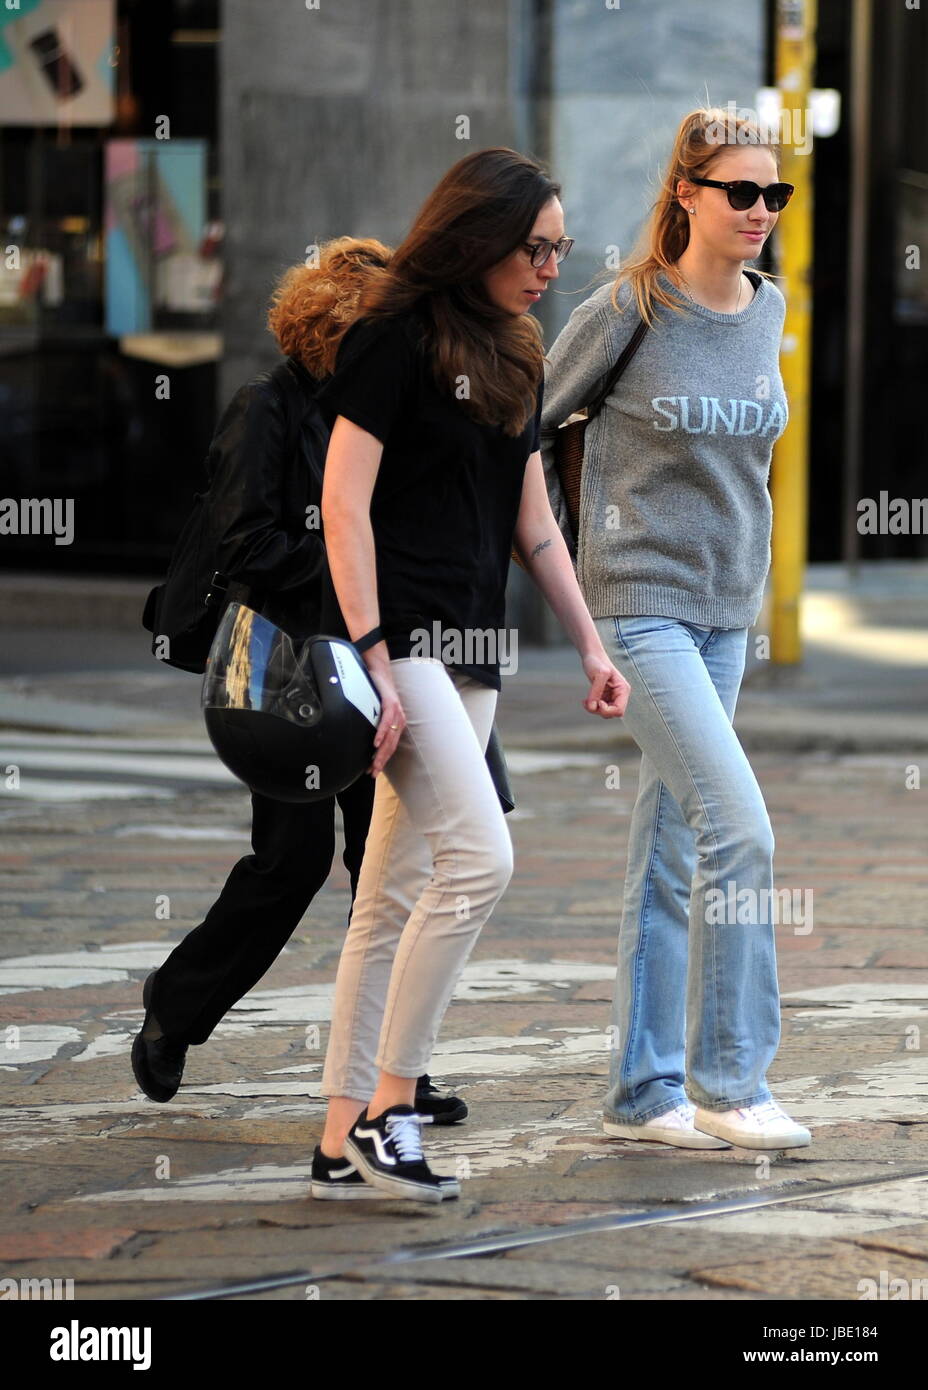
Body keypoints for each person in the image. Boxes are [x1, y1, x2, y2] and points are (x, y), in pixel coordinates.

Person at [313, 146, 631, 1204]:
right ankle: (390, 1107)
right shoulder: (390, 340)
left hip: (475, 645)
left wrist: (588, 642)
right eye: (533, 247)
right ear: (477, 237)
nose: (549, 267)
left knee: (391, 892)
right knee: (481, 860)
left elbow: (534, 524)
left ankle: (332, 1134)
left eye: (559, 248)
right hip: (398, 638)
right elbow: (343, 503)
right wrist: (369, 654)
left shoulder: (518, 350)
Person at [131, 238, 468, 1144]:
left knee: (387, 868)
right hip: (286, 670)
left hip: (372, 665)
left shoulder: (383, 410)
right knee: (293, 862)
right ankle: (176, 1005)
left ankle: (396, 1076)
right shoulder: (268, 407)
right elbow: (246, 548)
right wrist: (355, 568)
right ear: (331, 330)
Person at [541, 107, 811, 1150]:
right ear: (685, 195)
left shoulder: (767, 308)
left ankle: (644, 1091)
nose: (757, 212)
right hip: (638, 606)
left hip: (724, 612)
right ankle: (732, 1082)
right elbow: (524, 426)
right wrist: (557, 578)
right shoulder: (626, 309)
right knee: (740, 829)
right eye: (738, 191)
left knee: (664, 848)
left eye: (772, 195)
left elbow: (755, 463)